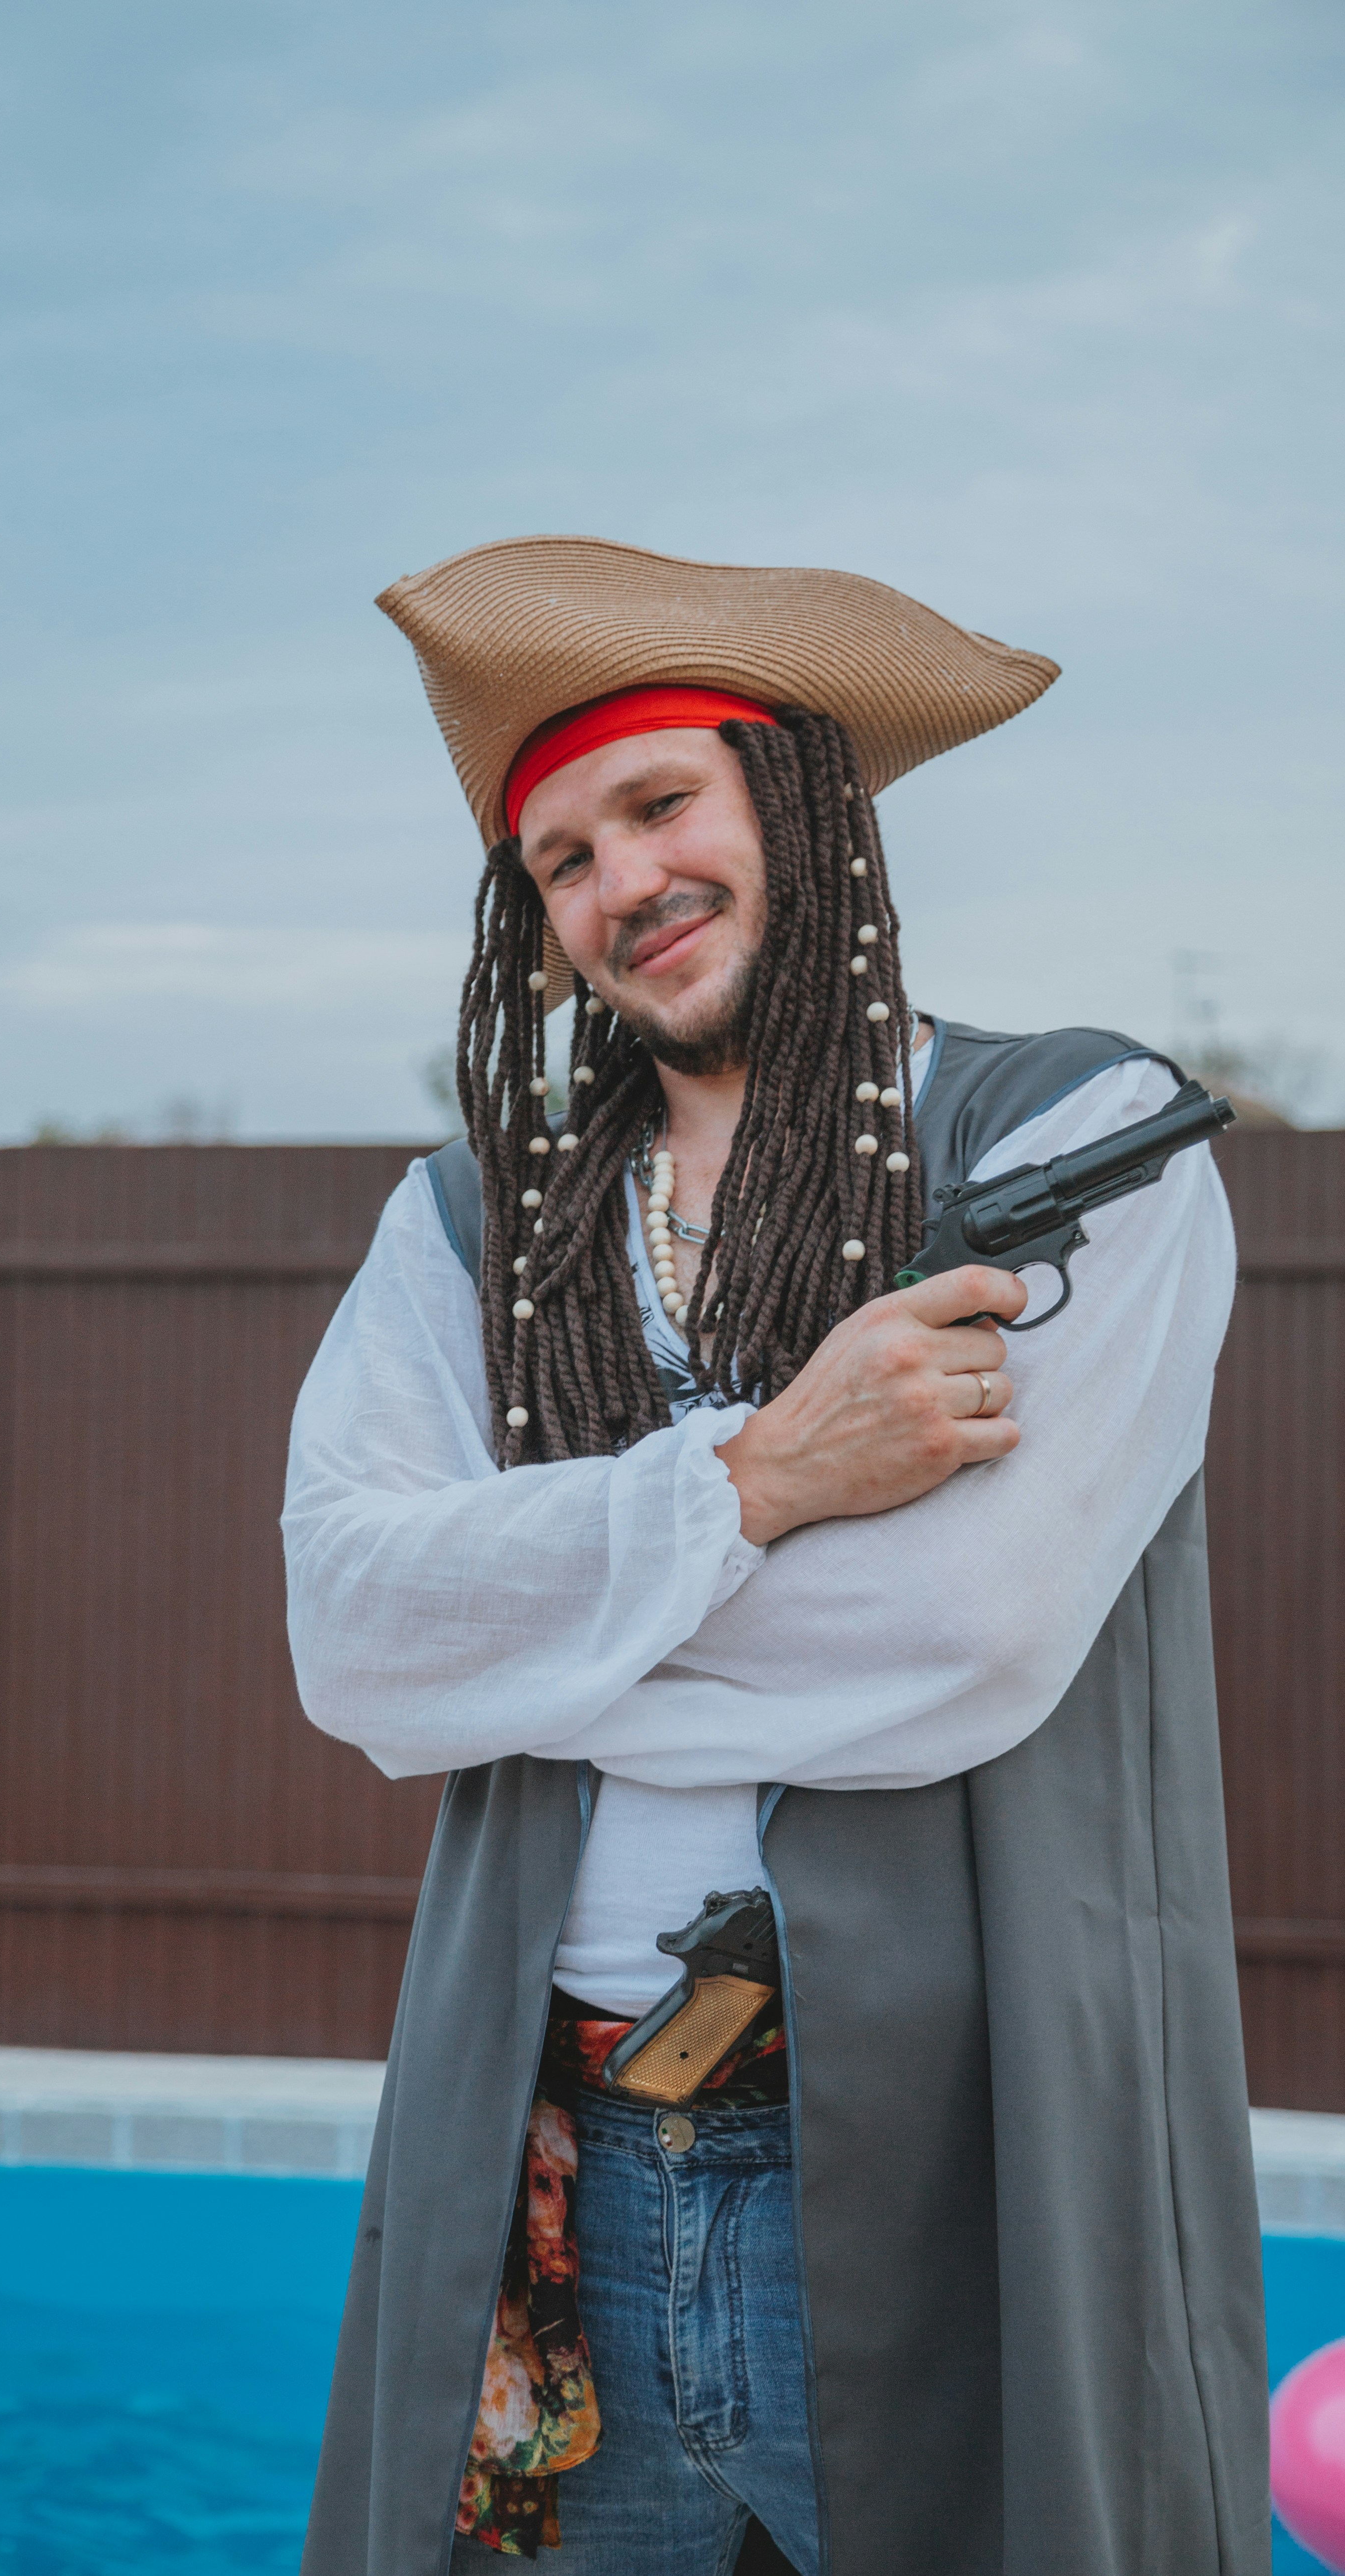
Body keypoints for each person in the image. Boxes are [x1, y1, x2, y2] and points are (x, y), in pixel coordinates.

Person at [282, 536, 1269, 2576]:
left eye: (656, 805)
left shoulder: (1065, 1144)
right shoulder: (471, 1228)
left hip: (946, 2144)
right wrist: (750, 1485)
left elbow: (959, 1635)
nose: (616, 882)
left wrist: (530, 1630)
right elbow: (351, 1633)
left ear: (795, 801)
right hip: (558, 2163)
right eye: (557, 859)